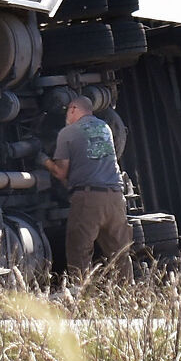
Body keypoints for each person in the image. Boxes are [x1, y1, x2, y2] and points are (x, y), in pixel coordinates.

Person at [44, 96, 132, 282]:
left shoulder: (67, 132)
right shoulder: (105, 128)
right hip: (116, 197)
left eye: (68, 110)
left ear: (74, 108)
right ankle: (131, 296)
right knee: (120, 255)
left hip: (89, 198)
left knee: (79, 253)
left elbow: (60, 172)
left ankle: (82, 296)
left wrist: (42, 160)